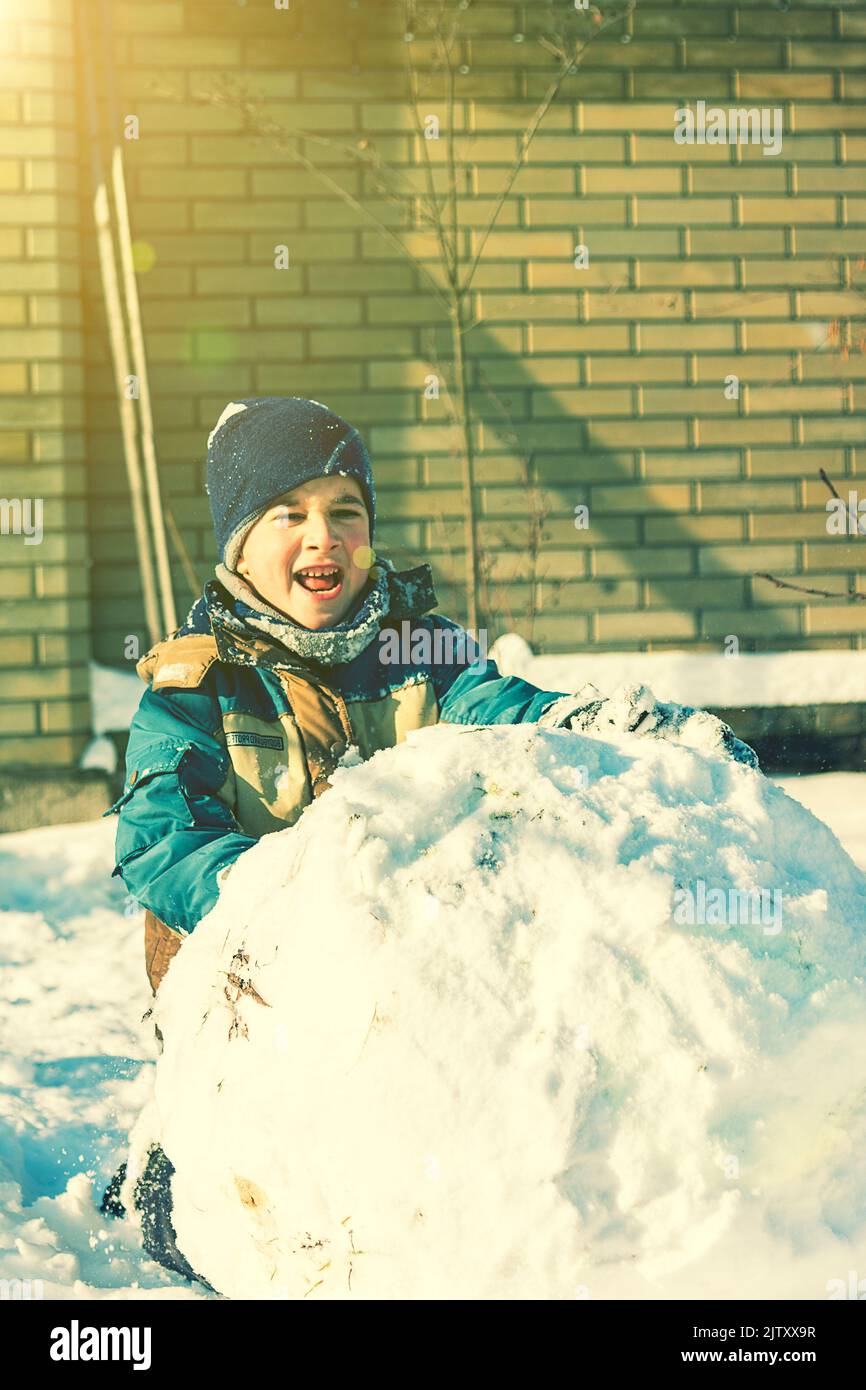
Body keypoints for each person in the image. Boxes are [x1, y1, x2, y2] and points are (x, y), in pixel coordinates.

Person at [101, 395, 758, 1283]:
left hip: (414, 971)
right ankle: (186, 1150)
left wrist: (617, 731)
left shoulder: (423, 650)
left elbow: (517, 724)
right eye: (288, 515)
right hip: (256, 979)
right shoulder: (198, 686)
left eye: (345, 513)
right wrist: (287, 903)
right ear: (240, 547)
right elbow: (159, 840)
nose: (323, 537)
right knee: (235, 1171)